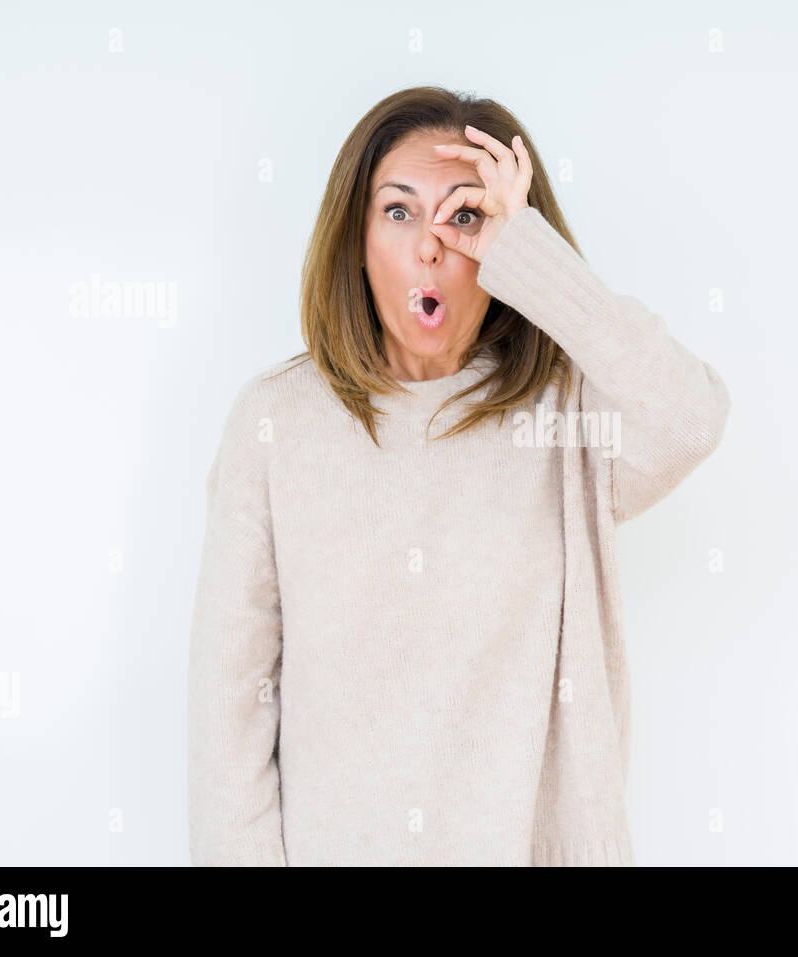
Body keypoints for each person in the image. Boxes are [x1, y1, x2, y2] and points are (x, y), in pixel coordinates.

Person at [187, 85, 731, 866]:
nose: (431, 245)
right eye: (399, 211)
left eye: (468, 215)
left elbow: (691, 417)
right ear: (356, 235)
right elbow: (227, 705)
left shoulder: (569, 420)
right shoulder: (275, 423)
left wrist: (535, 256)